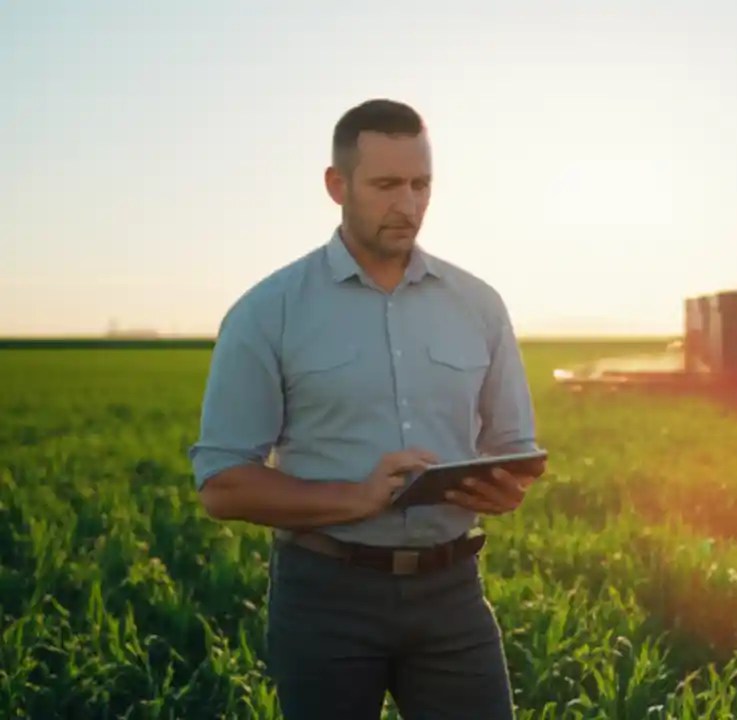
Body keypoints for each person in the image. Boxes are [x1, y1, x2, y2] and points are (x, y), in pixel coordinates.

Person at [188, 98, 544, 720]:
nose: (407, 204)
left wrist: (503, 489)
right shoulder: (268, 311)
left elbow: (511, 447)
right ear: (337, 185)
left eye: (420, 184)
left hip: (452, 594)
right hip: (325, 597)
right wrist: (357, 498)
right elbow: (222, 485)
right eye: (385, 185)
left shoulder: (479, 305)